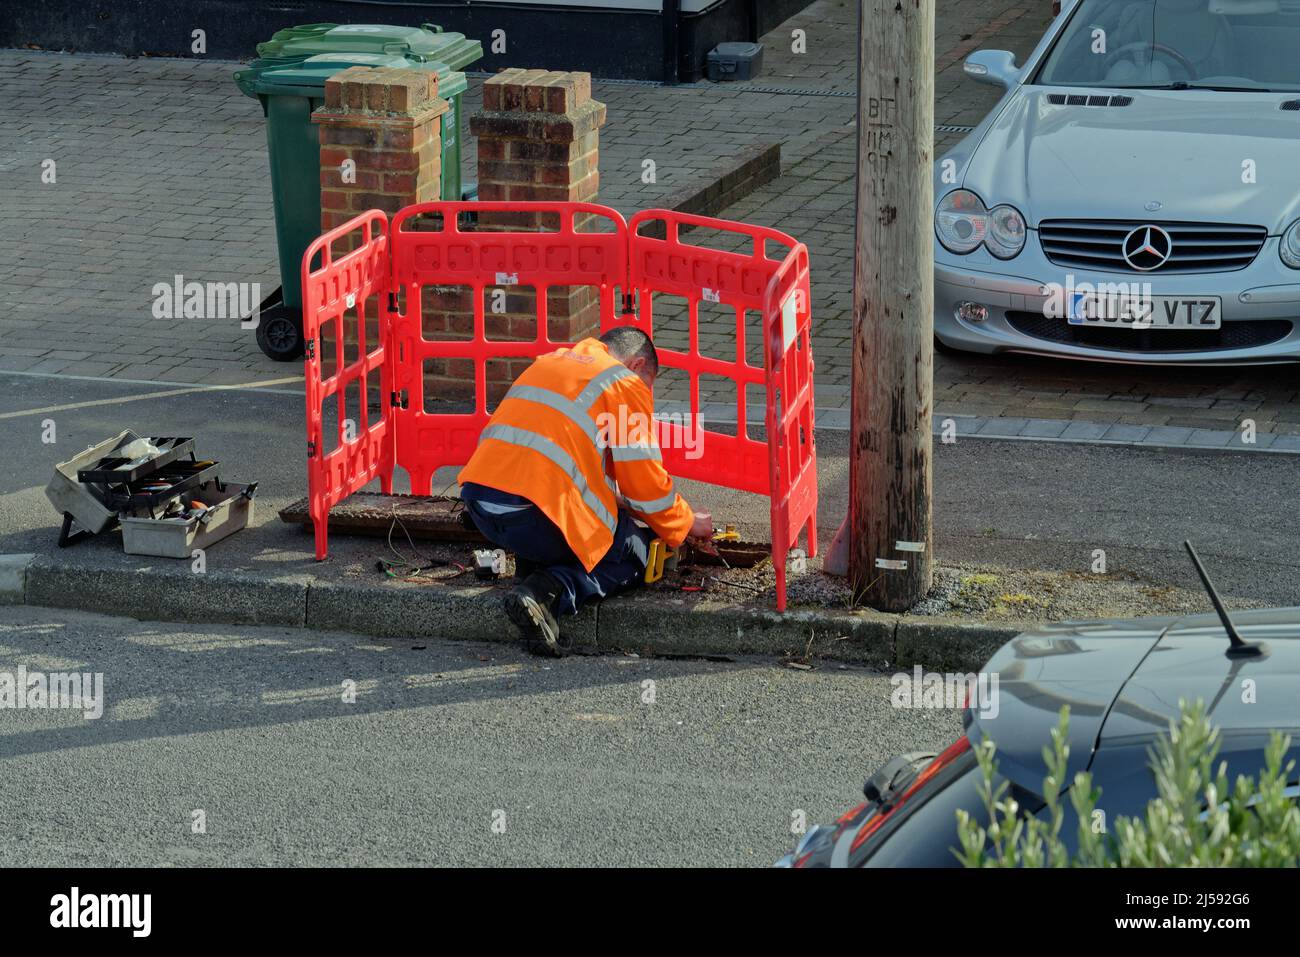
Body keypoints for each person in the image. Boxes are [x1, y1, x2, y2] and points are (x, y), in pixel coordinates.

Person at [458, 327, 713, 656]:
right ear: (637, 366)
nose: (645, 394)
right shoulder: (623, 382)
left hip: (482, 507)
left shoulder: (549, 362)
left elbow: (567, 470)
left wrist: (628, 505)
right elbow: (646, 486)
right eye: (649, 385)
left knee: (592, 521)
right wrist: (688, 523)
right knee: (631, 550)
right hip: (536, 516)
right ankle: (545, 593)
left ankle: (534, 568)